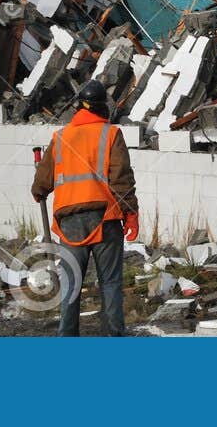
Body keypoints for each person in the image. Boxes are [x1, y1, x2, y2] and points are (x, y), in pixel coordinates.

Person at [31, 80, 139, 336]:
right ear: (102, 108)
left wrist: (39, 191)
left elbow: (41, 185)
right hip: (105, 219)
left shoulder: (60, 137)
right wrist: (131, 214)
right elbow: (121, 179)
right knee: (110, 283)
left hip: (70, 223)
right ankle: (114, 339)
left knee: (70, 284)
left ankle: (67, 340)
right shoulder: (111, 134)